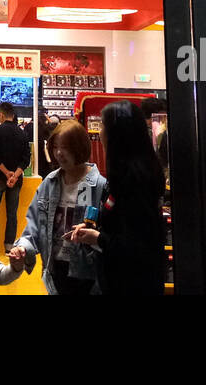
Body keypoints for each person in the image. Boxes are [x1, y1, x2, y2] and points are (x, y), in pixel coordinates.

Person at [66, 100, 166, 295]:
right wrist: (94, 228)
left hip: (132, 283)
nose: (99, 132)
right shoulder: (123, 174)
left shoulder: (136, 181)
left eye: (103, 126)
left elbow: (139, 244)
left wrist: (98, 238)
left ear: (118, 134)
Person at [9, 118, 106, 294]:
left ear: (80, 148)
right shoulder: (50, 183)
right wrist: (22, 248)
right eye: (55, 147)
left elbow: (111, 237)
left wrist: (96, 237)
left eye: (66, 147)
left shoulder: (99, 186)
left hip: (90, 277)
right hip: (55, 272)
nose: (59, 153)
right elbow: (34, 227)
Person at [0, 101, 30, 250]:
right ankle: (9, 245)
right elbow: (26, 159)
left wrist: (5, 173)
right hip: (16, 181)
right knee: (12, 214)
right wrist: (14, 175)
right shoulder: (22, 133)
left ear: (1, 115)